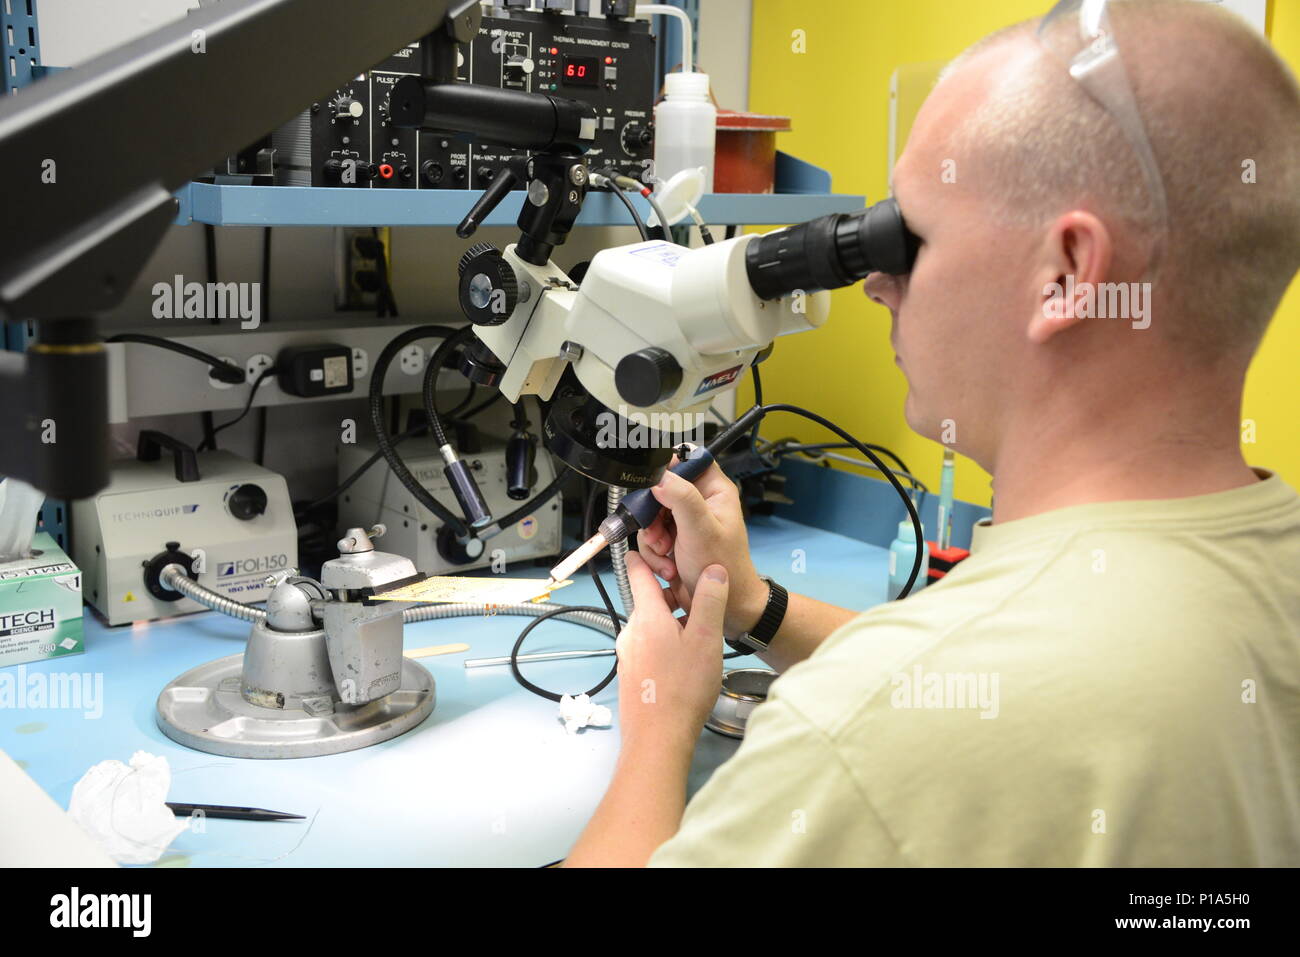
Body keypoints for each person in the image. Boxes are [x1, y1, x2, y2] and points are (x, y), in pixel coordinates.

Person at [564, 0, 1300, 866]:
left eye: (906, 238)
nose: (875, 284)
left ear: (1066, 275)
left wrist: (660, 715)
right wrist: (757, 608)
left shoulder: (866, 737)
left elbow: (914, 707)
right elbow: (988, 685)